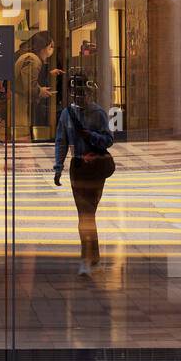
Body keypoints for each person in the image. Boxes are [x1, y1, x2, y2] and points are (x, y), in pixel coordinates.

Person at [53, 74, 114, 277]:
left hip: (95, 168)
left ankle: (89, 257)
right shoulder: (66, 114)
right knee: (85, 215)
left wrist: (92, 136)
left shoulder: (98, 113)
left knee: (88, 214)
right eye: (76, 93)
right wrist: (58, 167)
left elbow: (108, 139)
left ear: (89, 92)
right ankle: (88, 257)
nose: (79, 97)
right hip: (77, 166)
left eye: (83, 93)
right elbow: (61, 141)